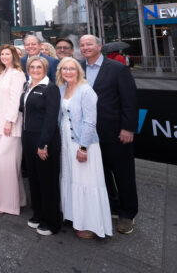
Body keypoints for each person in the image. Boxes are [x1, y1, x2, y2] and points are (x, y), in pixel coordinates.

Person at [80, 34, 139, 235]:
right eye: (82, 45)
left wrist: (128, 128)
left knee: (123, 174)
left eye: (89, 44)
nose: (85, 47)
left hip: (115, 132)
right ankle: (112, 205)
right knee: (100, 172)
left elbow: (130, 101)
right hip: (89, 134)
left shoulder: (118, 69)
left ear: (99, 46)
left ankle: (127, 213)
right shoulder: (78, 68)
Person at [57, 57, 112, 239]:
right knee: (71, 177)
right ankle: (74, 216)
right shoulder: (62, 88)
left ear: (78, 71)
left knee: (86, 181)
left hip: (81, 142)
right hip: (66, 141)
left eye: (72, 68)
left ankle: (90, 225)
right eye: (64, 68)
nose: (68, 72)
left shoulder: (86, 91)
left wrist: (84, 147)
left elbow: (90, 122)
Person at [22, 56, 61, 236]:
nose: (35, 70)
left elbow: (51, 118)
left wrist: (43, 144)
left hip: (43, 139)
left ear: (45, 69)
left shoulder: (50, 88)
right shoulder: (28, 85)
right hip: (28, 137)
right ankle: (38, 214)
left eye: (39, 67)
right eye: (32, 67)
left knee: (47, 181)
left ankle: (51, 221)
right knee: (34, 179)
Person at [0, 45, 26, 215]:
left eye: (7, 54)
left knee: (7, 166)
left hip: (9, 125)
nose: (4, 56)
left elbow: (15, 99)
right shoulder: (4, 72)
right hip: (1, 124)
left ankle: (8, 205)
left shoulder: (17, 74)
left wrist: (9, 121)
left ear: (14, 56)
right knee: (9, 165)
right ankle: (19, 199)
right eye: (2, 54)